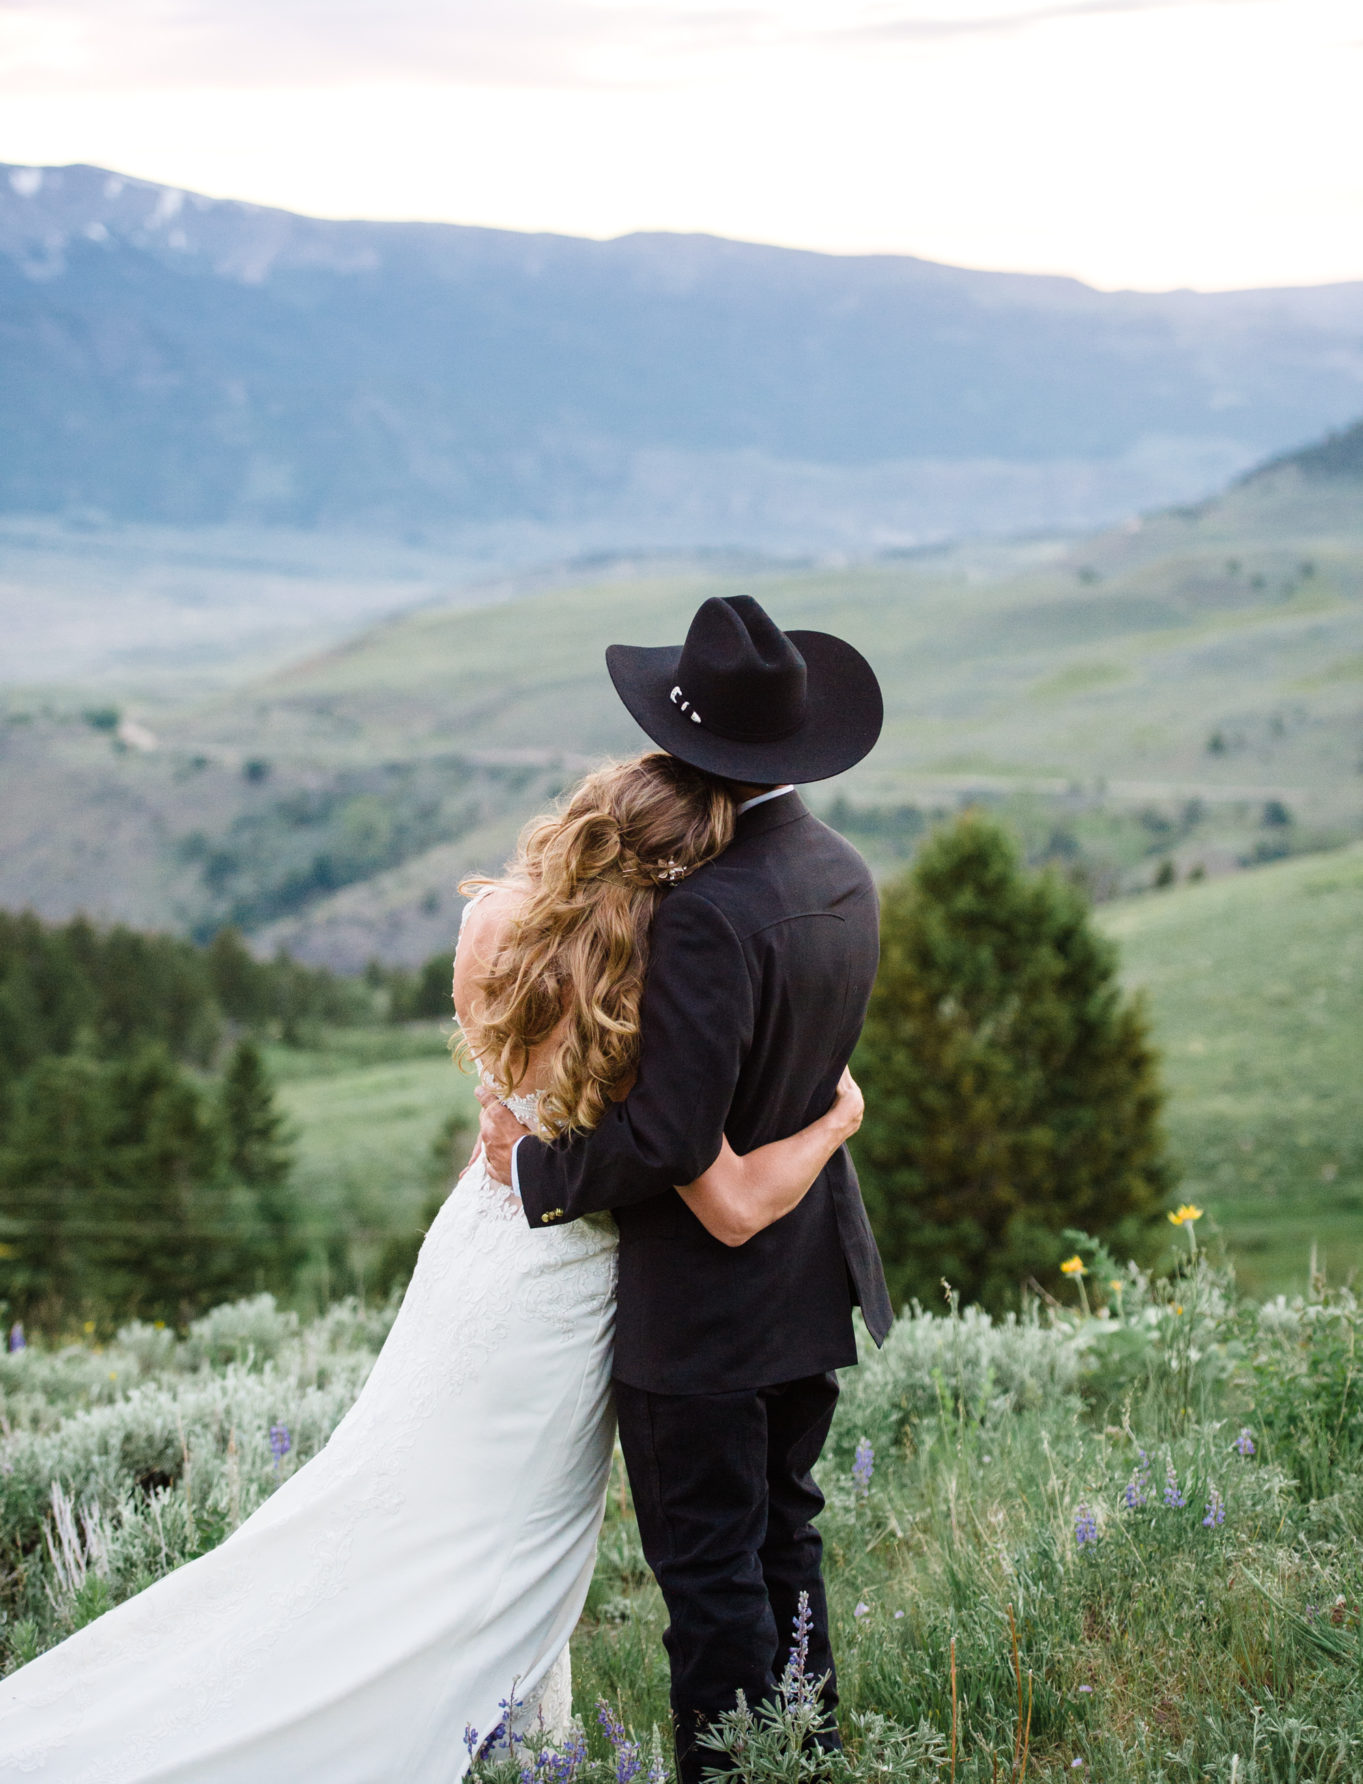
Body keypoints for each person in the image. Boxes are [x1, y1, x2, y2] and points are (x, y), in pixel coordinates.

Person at [0, 733, 865, 1780]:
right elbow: (700, 1170)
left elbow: (527, 1109)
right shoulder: (675, 954)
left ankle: (528, 1724)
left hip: (491, 1255)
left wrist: (528, 1145)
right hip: (574, 1273)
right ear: (669, 862)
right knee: (526, 1530)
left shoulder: (526, 929)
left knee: (435, 1498)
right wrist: (833, 1119)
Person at [480, 591, 892, 1784]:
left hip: (705, 1314)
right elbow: (797, 1079)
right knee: (784, 1548)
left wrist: (531, 1166)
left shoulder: (706, 911)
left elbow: (666, 1132)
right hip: (806, 1282)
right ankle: (803, 1763)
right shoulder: (845, 872)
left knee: (711, 1578)